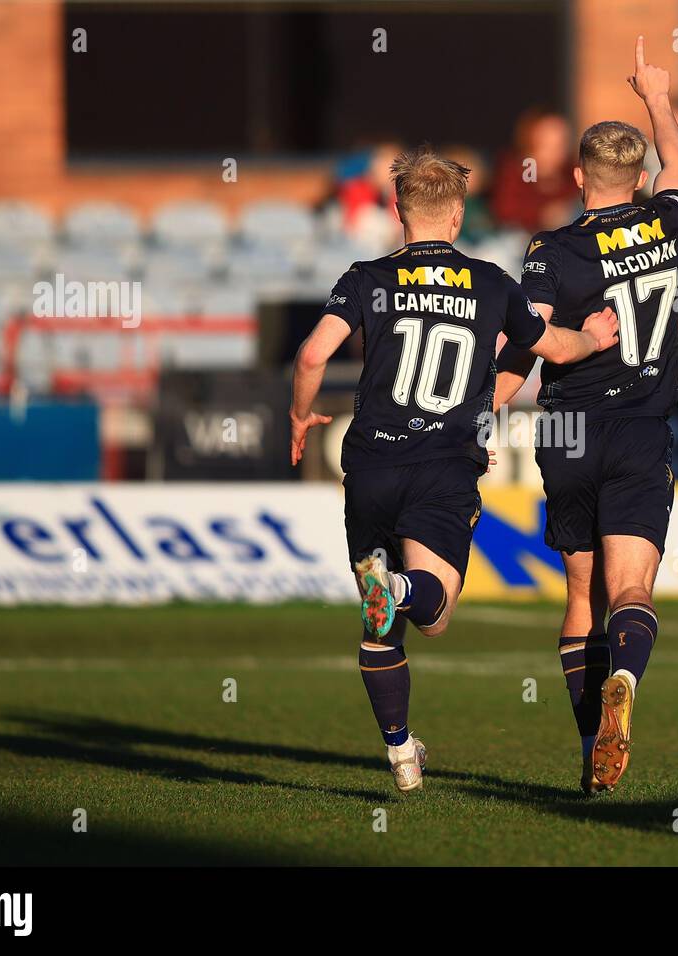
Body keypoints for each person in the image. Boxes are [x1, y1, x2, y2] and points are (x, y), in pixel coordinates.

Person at [289, 145, 618, 793]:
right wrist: (594, 338)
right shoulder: (492, 283)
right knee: (430, 612)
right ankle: (405, 590)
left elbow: (311, 356)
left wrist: (300, 418)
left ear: (396, 210)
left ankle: (401, 754)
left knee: (378, 623)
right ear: (460, 214)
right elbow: (552, 346)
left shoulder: (365, 276)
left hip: (372, 461)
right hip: (443, 460)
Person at [493, 36, 678, 794]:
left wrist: (482, 414)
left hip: (567, 430)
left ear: (579, 177)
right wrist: (658, 98)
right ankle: (628, 688)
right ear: (637, 180)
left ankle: (589, 752)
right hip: (642, 427)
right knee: (633, 590)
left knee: (583, 596)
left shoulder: (551, 250)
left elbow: (529, 341)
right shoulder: (670, 227)